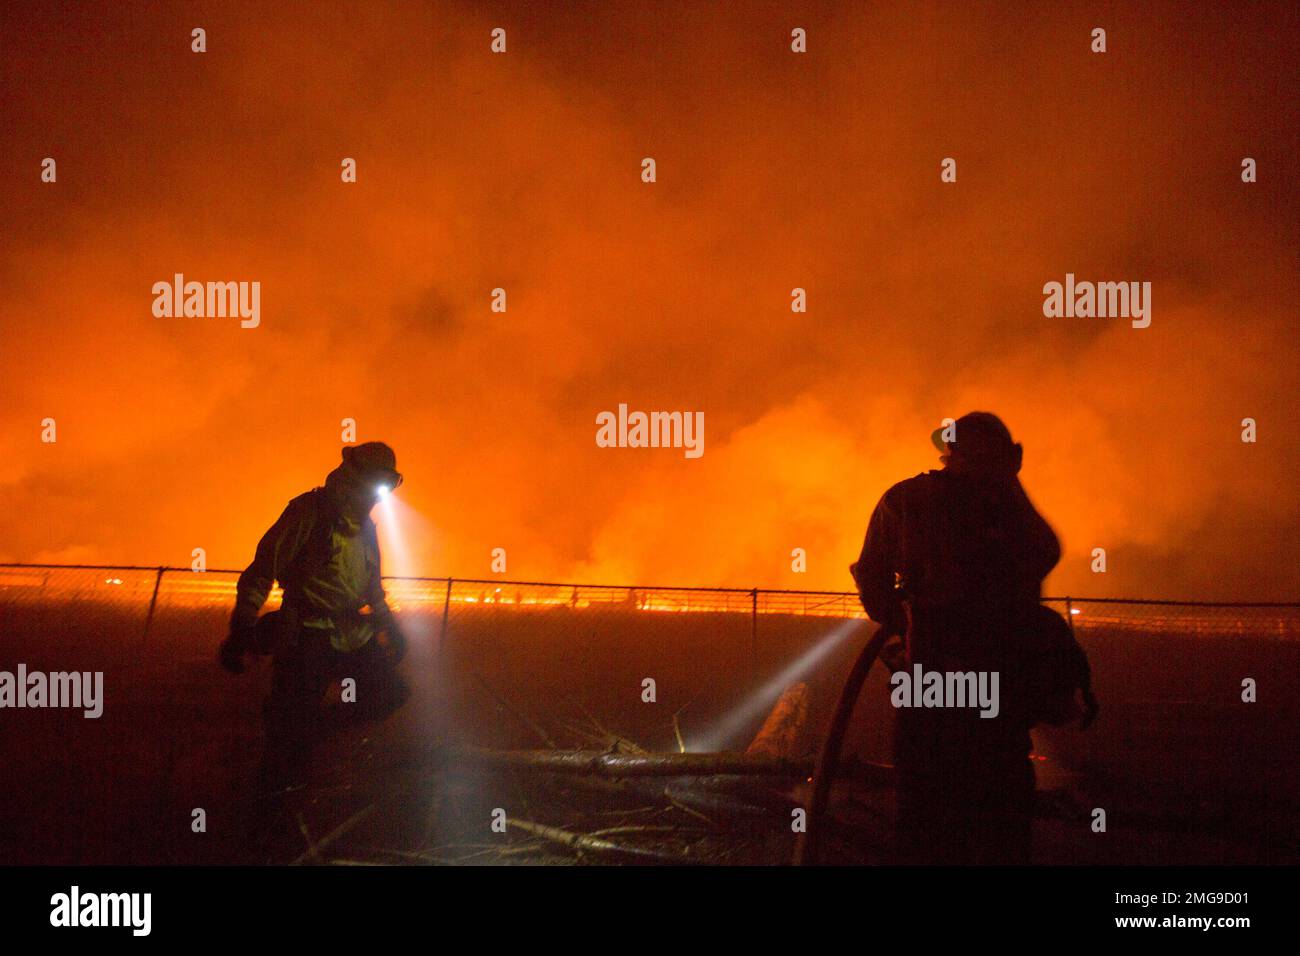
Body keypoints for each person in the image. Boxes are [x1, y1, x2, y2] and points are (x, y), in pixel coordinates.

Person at [851, 412, 1093, 864]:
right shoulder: (998, 506)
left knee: (928, 802)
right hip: (996, 689)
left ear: (949, 451)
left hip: (936, 682)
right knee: (994, 807)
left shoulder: (912, 499)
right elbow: (1045, 552)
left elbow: (872, 576)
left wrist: (903, 626)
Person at [219, 442, 410, 792]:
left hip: (351, 635)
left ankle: (312, 731)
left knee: (390, 693)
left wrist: (389, 625)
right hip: (307, 636)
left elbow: (372, 586)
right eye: (379, 484)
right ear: (357, 478)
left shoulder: (365, 527)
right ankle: (269, 825)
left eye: (389, 484)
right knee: (287, 747)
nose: (382, 496)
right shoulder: (308, 512)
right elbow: (263, 570)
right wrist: (242, 626)